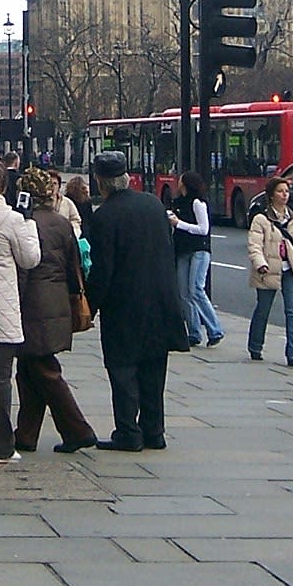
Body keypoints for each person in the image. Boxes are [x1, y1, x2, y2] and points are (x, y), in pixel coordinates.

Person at [87, 150, 187, 451]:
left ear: (100, 181)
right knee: (154, 368)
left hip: (124, 305)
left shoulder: (104, 216)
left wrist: (89, 306)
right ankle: (154, 431)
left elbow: (102, 270)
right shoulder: (153, 204)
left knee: (123, 370)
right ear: (127, 178)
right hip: (161, 299)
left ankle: (129, 432)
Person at [13, 168, 97, 454]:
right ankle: (26, 434)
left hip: (33, 304)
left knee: (45, 369)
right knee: (29, 369)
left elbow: (23, 269)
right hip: (57, 300)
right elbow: (74, 265)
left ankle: (78, 430)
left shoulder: (25, 223)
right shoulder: (61, 222)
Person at [0, 189, 40, 463]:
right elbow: (30, 258)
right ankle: (1, 445)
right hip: (1, 306)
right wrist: (29, 221)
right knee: (0, 379)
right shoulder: (12, 219)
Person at [245, 174, 293, 366]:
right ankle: (255, 346)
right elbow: (254, 245)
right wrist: (260, 263)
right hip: (268, 269)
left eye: (287, 191)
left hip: (290, 270)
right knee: (263, 309)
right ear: (271, 195)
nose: (284, 195)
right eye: (280, 191)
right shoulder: (261, 219)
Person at [170, 170, 224, 349]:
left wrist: (179, 224)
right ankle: (193, 332)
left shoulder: (198, 203)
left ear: (186, 184)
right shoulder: (179, 202)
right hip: (182, 249)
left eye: (181, 180)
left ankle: (215, 329)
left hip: (199, 250)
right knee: (183, 292)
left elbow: (203, 229)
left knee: (196, 289)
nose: (178, 182)